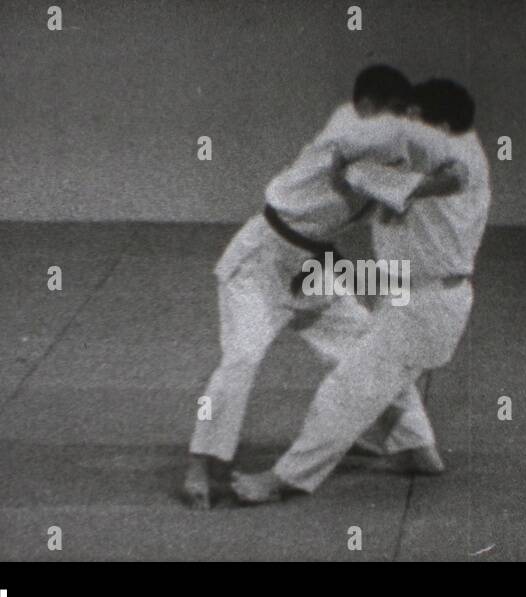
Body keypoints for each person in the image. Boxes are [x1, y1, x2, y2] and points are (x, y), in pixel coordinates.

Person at [183, 67, 467, 508]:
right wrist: (425, 150)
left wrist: (436, 164)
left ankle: (414, 442)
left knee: (368, 349)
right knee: (241, 358)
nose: (397, 126)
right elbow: (376, 156)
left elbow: (417, 178)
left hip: (317, 266)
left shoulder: (386, 153)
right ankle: (201, 461)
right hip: (263, 261)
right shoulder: (345, 125)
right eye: (391, 114)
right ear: (368, 107)